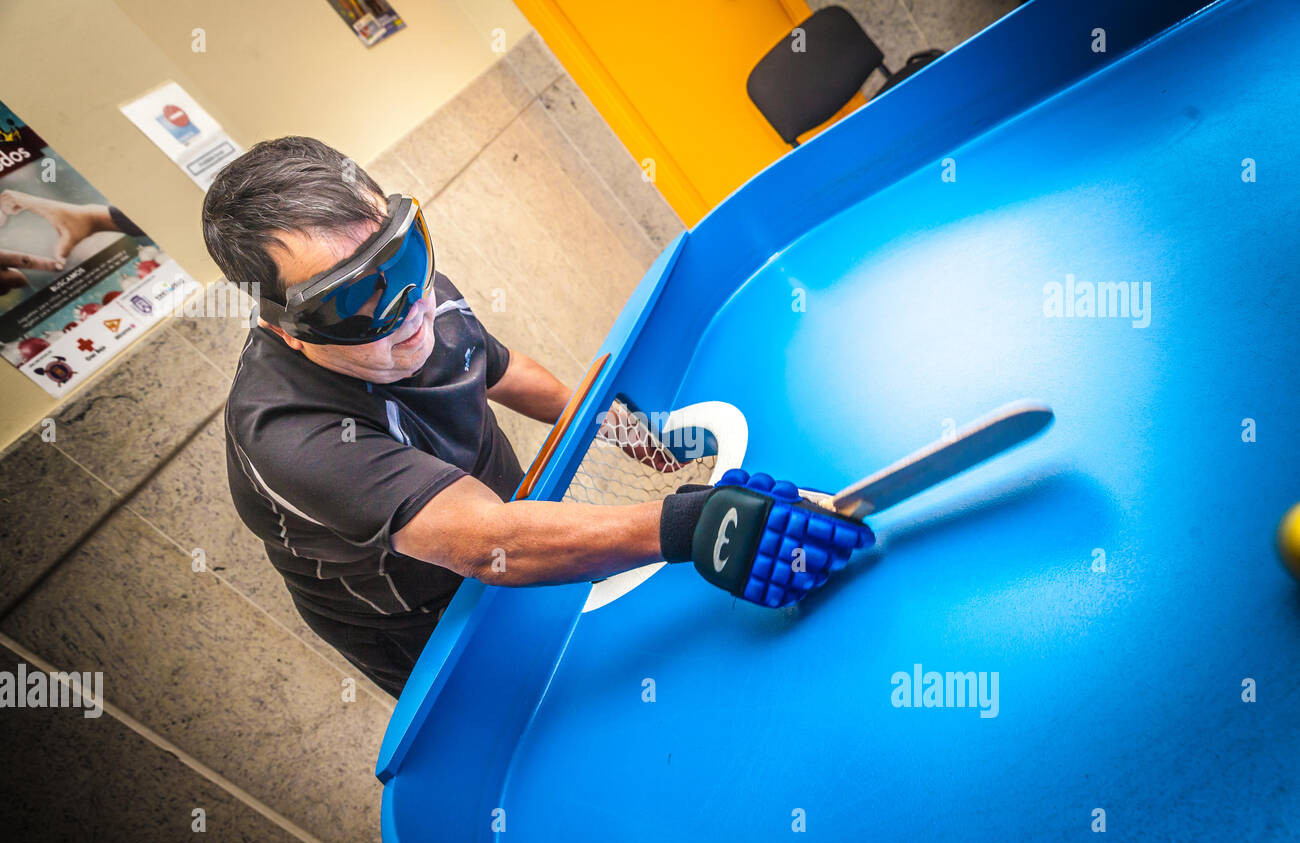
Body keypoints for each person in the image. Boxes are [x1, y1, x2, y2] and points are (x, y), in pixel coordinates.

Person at [202, 136, 871, 698]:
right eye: (352, 299)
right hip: (424, 616)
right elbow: (487, 542)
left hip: (505, 517)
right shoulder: (292, 438)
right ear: (285, 327)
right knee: (534, 708)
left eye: (401, 255)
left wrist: (628, 434)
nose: (408, 305)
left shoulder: (415, 298)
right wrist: (694, 522)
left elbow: (496, 367)